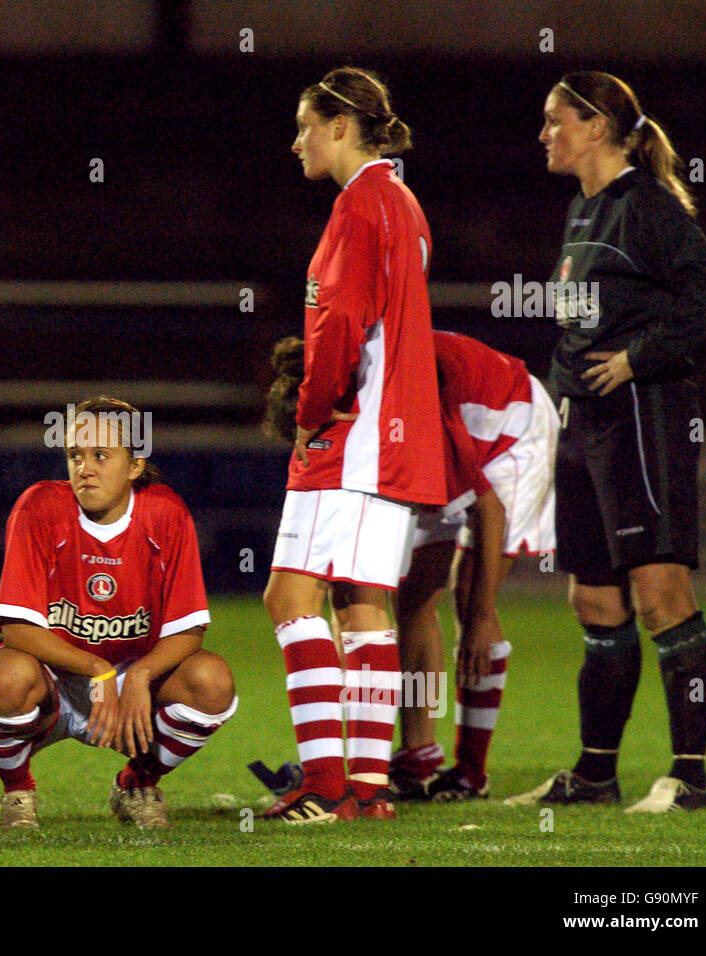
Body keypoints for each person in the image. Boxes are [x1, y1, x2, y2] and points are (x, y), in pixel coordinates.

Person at [507, 72, 706, 813]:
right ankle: (596, 775)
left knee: (660, 593)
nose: (544, 134)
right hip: (585, 422)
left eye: (555, 121)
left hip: (642, 416)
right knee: (593, 598)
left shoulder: (647, 207)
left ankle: (689, 777)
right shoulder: (585, 208)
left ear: (596, 126)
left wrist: (640, 358)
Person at [261, 67, 446, 825]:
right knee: (363, 605)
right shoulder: (404, 203)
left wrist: (311, 410)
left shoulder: (356, 207)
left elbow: (338, 326)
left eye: (306, 124)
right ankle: (365, 793)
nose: (297, 139)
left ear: (342, 126)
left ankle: (325, 782)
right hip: (399, 438)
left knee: (288, 596)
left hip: (354, 437)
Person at [0, 397, 237, 830]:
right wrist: (97, 671)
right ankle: (18, 790)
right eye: (75, 455)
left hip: (130, 678)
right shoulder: (39, 507)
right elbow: (16, 627)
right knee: (2, 677)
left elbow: (188, 631)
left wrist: (142, 675)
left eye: (100, 455)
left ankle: (136, 785)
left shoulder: (166, 515)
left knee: (212, 682)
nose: (84, 468)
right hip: (52, 676)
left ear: (133, 466)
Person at [388, 330, 558, 802]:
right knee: (415, 596)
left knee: (469, 598)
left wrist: (481, 617)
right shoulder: (388, 386)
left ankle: (471, 771)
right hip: (465, 414)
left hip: (513, 426)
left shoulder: (416, 403)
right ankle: (418, 755)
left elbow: (488, 510)